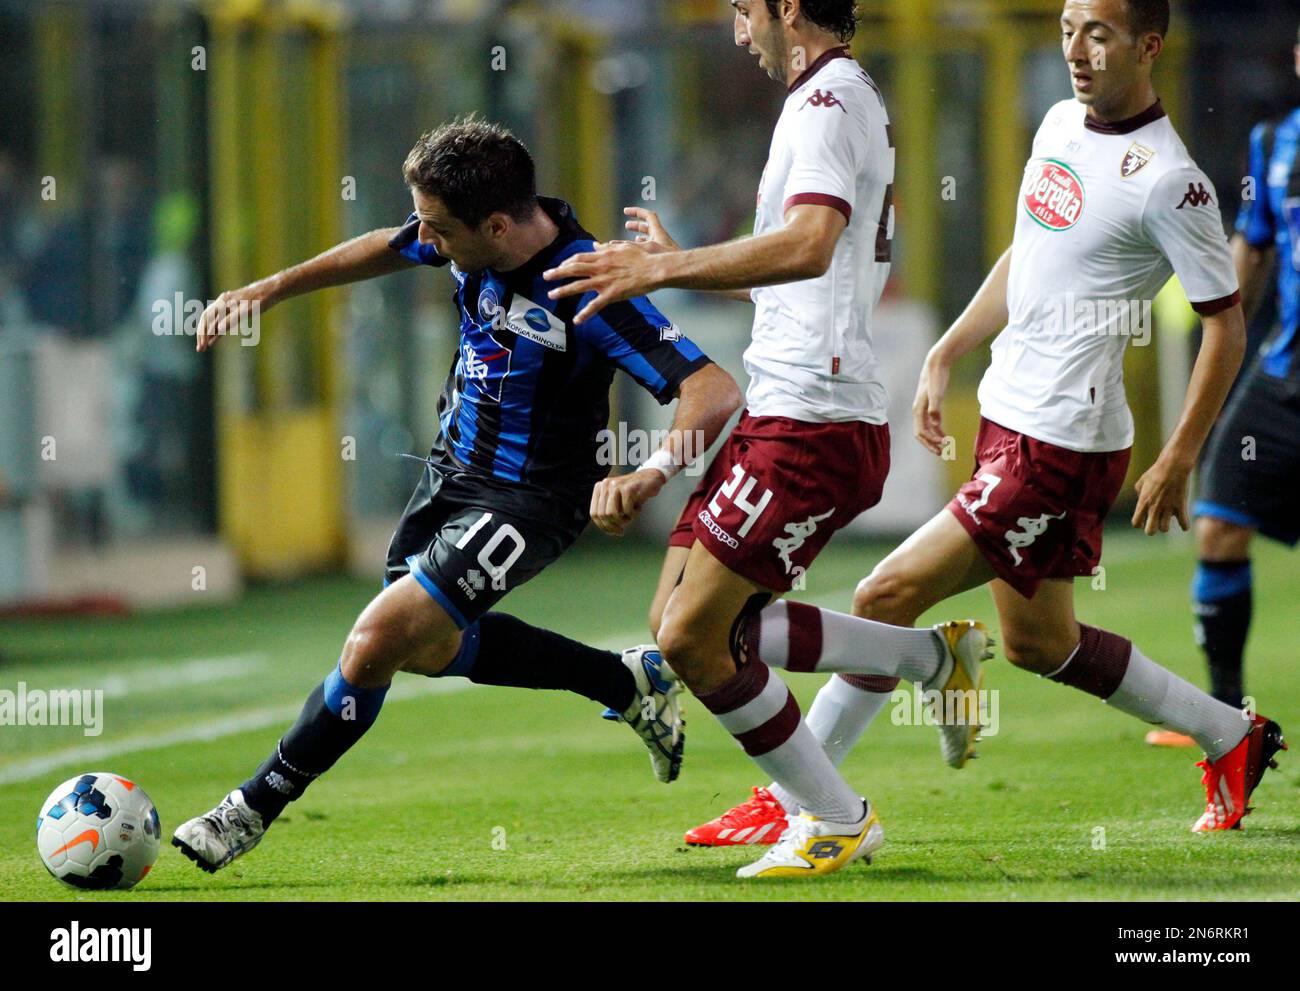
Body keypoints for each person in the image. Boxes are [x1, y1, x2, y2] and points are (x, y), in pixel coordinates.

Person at [685, 0, 1286, 846]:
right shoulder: (1056, 123)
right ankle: (1233, 734)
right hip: (1011, 417)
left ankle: (802, 800)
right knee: (1042, 642)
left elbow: (1222, 319)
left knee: (884, 593)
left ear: (1150, 46)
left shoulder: (1170, 179)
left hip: (1060, 441)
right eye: (1069, 29)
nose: (1078, 50)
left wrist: (1182, 454)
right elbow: (1026, 251)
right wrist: (948, 351)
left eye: (1101, 35)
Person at [172, 118, 743, 872]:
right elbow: (385, 242)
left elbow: (711, 387)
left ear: (498, 224)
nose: (427, 241)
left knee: (375, 641)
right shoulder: (461, 232)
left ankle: (246, 808)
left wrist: (650, 471)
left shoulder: (590, 280)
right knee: (426, 649)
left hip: (531, 496)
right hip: (450, 476)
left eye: (439, 230)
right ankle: (622, 679)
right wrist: (270, 289)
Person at [545, 0, 987, 879]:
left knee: (694, 642)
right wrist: (692, 258)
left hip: (812, 422)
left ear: (789, 8)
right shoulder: (837, 97)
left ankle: (835, 816)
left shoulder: (824, 107)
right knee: (677, 619)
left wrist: (663, 267)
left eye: (746, 10)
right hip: (788, 410)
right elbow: (808, 266)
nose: (739, 31)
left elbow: (812, 245)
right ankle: (928, 657)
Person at [1145, 24, 1300, 747]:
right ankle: (1225, 710)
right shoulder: (1274, 145)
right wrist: (1218, 318)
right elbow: (1251, 258)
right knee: (1217, 521)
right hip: (1282, 374)